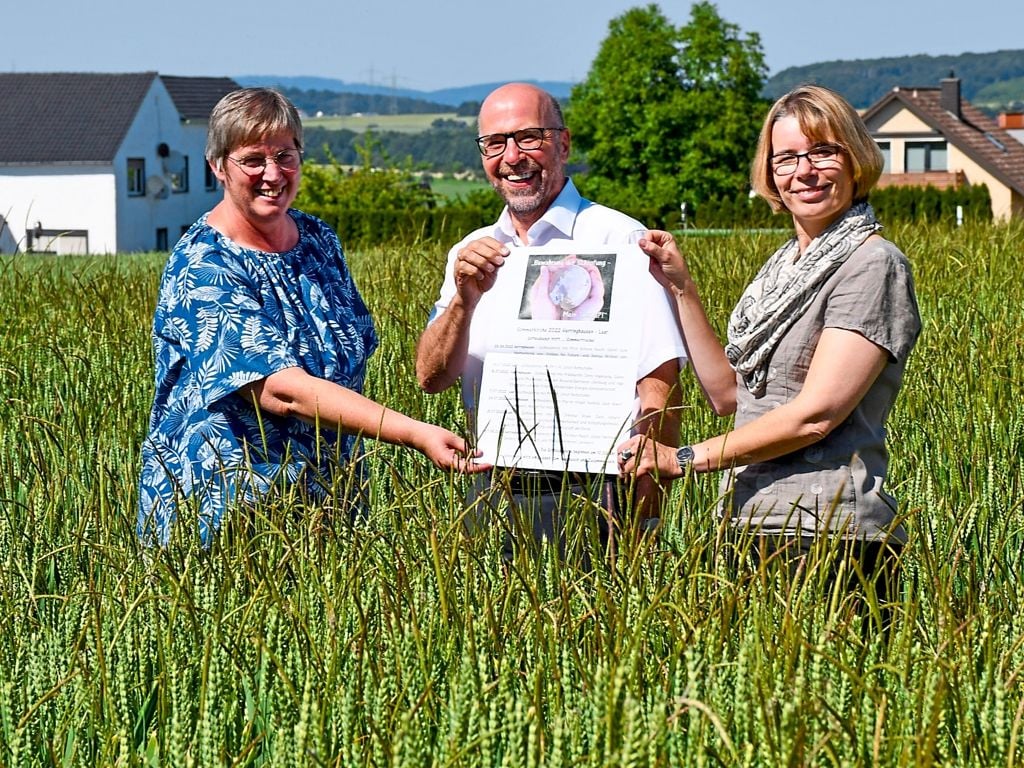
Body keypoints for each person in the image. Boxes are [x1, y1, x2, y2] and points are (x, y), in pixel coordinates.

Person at [137, 87, 487, 546]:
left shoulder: (318, 240)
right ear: (218, 166)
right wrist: (413, 433)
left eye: (285, 155)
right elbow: (280, 390)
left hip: (327, 506)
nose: (272, 174)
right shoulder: (203, 265)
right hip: (229, 516)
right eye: (252, 159)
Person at [617, 85, 921, 593]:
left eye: (823, 151)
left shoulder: (872, 263)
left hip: (830, 534)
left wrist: (681, 458)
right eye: (786, 158)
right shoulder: (783, 269)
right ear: (770, 174)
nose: (803, 171)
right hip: (748, 524)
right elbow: (730, 397)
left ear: (856, 158)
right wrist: (681, 287)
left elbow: (815, 414)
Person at [415, 82, 686, 557]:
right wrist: (463, 300)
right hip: (492, 494)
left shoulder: (622, 240)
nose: (512, 156)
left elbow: (660, 388)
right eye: (495, 143)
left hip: (599, 496)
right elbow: (430, 378)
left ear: (563, 143)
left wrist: (645, 524)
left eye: (529, 137)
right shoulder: (470, 252)